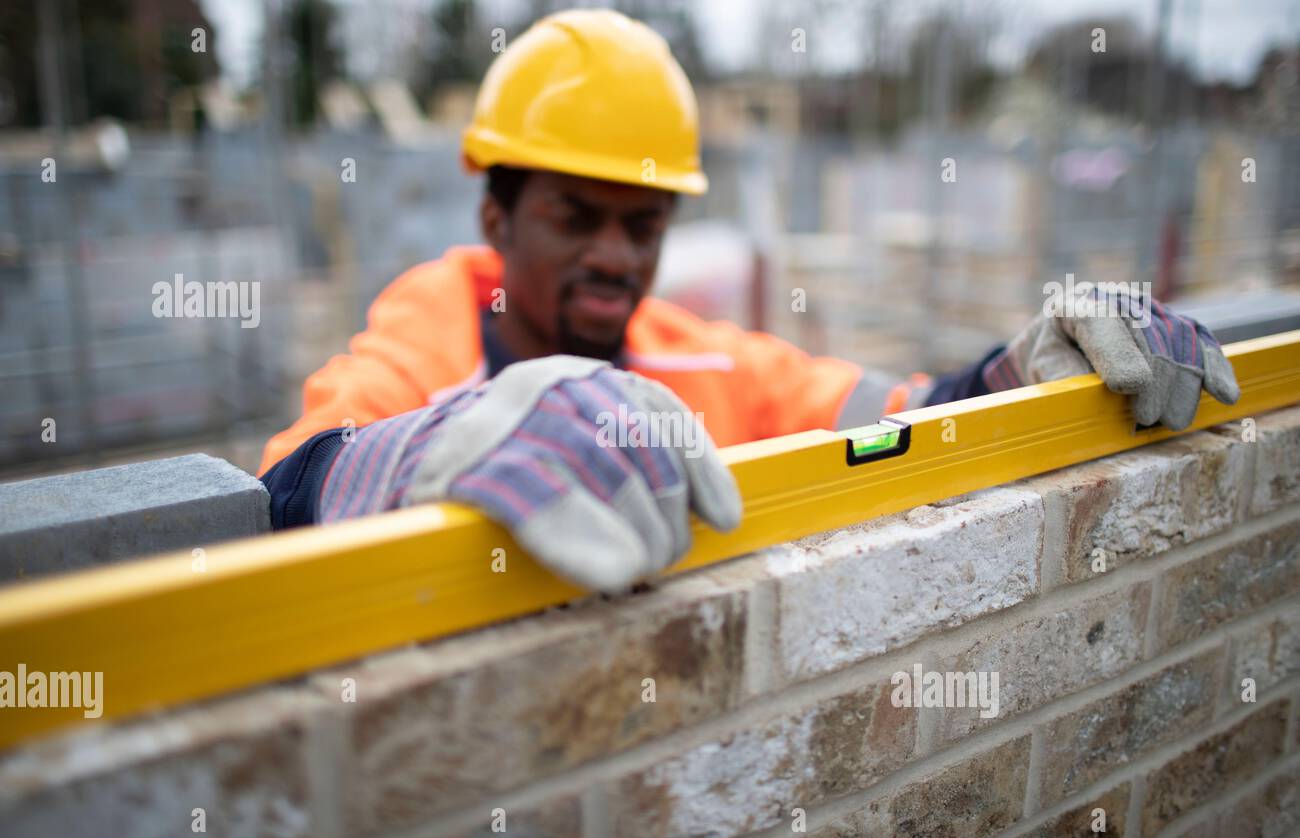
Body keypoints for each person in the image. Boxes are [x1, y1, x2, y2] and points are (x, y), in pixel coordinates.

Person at [259, 9, 1239, 593]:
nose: (614, 255)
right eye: (575, 216)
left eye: (642, 225)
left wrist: (1021, 368)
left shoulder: (696, 357)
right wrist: (437, 446)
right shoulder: (428, 326)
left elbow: (903, 418)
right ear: (498, 214)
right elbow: (293, 483)